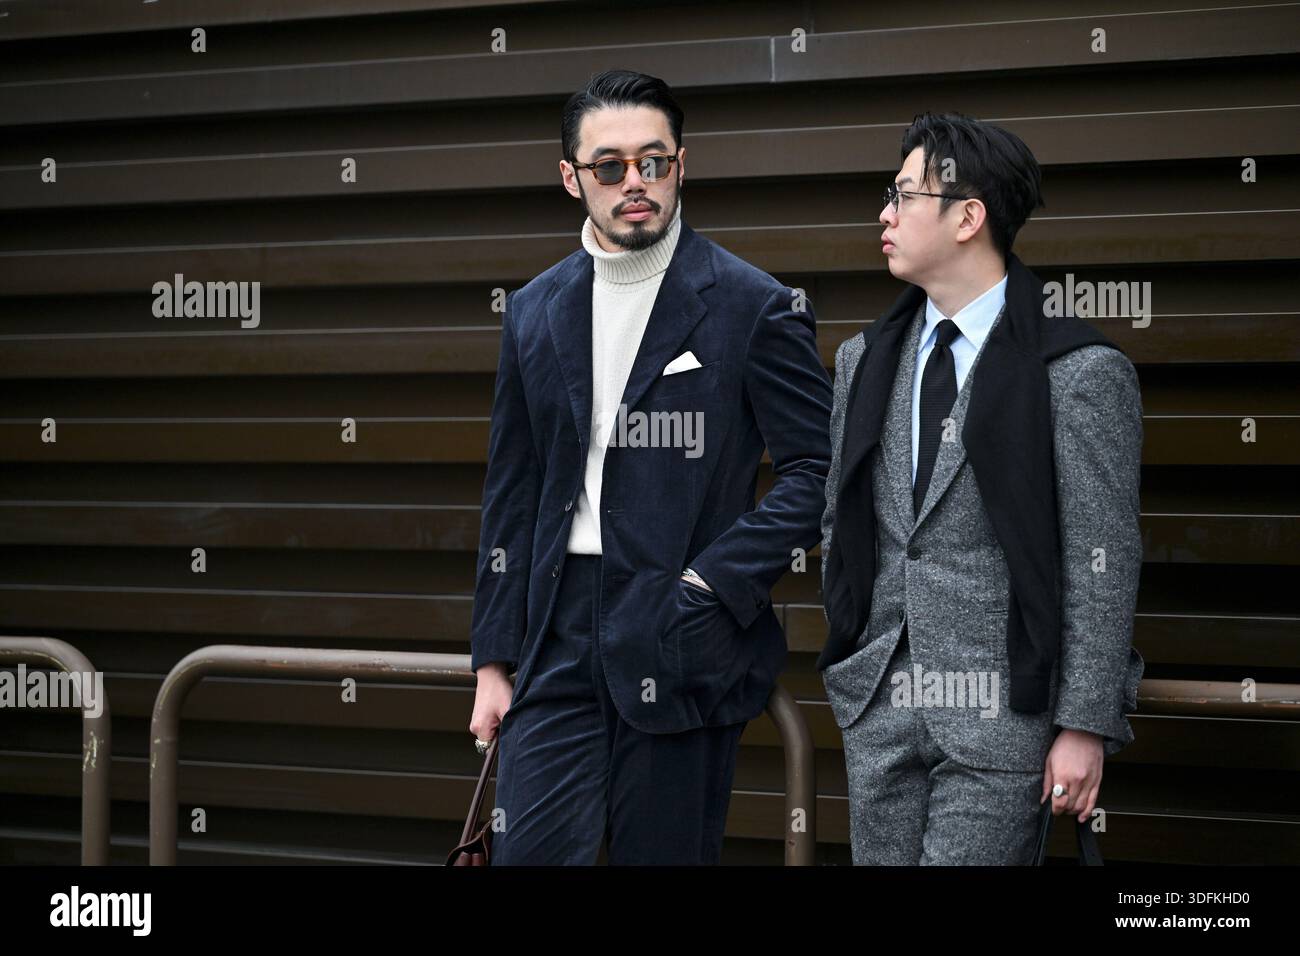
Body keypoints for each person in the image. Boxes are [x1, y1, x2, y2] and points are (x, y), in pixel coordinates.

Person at [468, 69, 833, 864]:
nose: (634, 183)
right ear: (572, 178)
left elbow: (819, 470)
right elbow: (514, 487)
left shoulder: (753, 304)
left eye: (653, 162)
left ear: (680, 165)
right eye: (609, 166)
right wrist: (494, 660)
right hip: (553, 641)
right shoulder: (533, 308)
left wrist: (710, 583)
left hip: (680, 638)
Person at [819, 112, 1145, 864]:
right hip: (880, 708)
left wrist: (1084, 723)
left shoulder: (1078, 372)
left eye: (904, 195)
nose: (885, 213)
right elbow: (845, 515)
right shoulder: (863, 360)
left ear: (969, 216)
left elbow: (1102, 557)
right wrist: (854, 651)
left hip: (1005, 719)